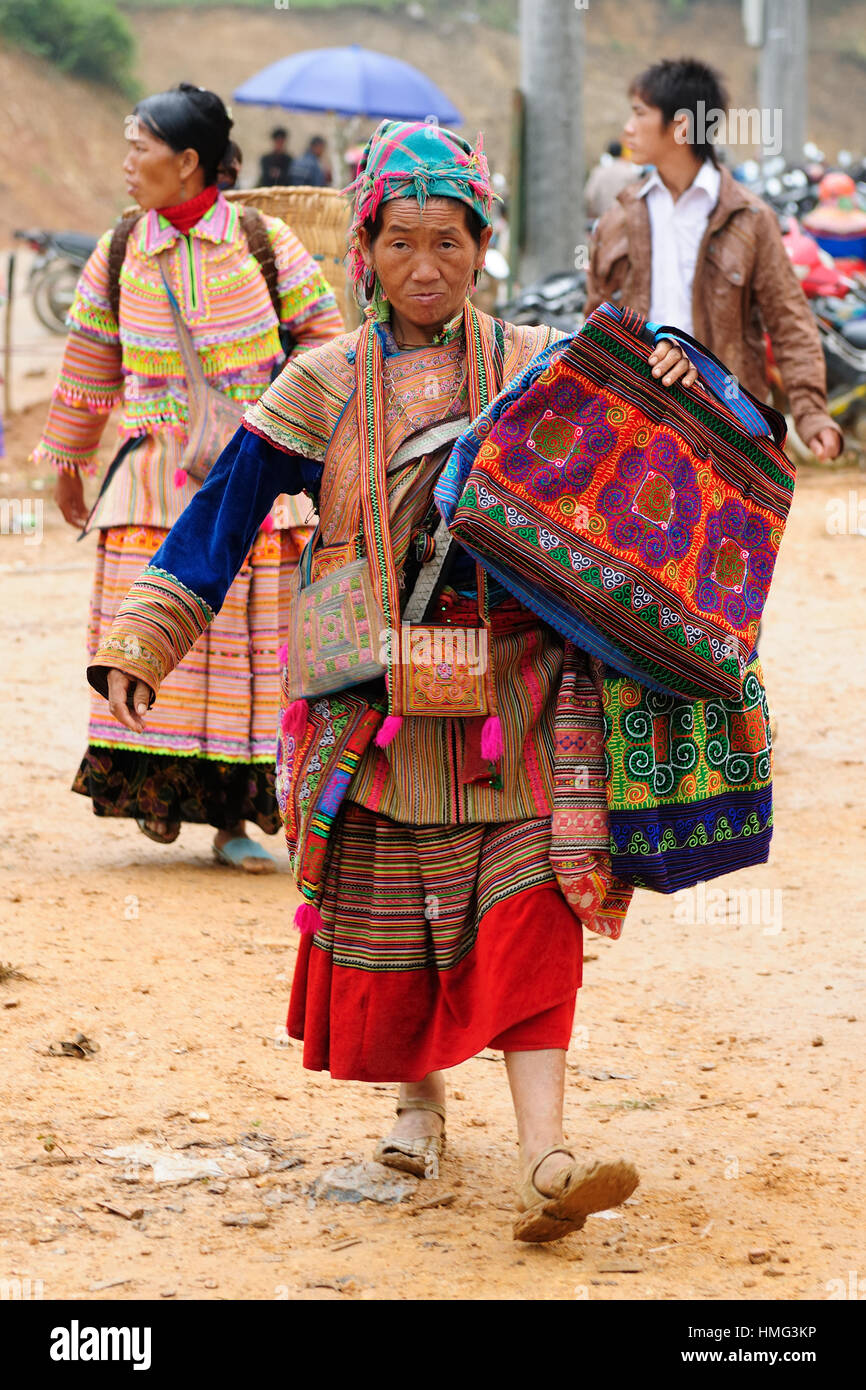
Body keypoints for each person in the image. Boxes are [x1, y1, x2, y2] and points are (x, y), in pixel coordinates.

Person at [85, 119, 697, 1242]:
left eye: (450, 245)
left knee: (528, 908)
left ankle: (547, 1154)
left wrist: (668, 371)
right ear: (363, 245)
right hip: (368, 695)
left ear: (483, 246)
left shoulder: (533, 367)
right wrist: (143, 642)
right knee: (402, 916)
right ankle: (417, 1110)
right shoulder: (317, 386)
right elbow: (223, 516)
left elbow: (636, 473)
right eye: (402, 243)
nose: (426, 269)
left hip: (516, 691)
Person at [33, 83, 344, 871]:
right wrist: (68, 461)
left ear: (189, 161)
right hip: (151, 482)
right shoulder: (118, 250)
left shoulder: (264, 242)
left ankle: (234, 823)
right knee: (155, 640)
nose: (128, 162)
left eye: (141, 147)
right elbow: (89, 365)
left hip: (249, 486)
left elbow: (327, 344)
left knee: (245, 656)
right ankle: (157, 795)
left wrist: (297, 432)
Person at [586, 57, 843, 463]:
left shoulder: (750, 218)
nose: (628, 128)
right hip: (635, 421)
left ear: (682, 125)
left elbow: (790, 319)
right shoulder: (617, 220)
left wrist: (811, 413)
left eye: (639, 113)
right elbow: (594, 321)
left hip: (726, 430)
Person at [584, 139, 640, 220]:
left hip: (603, 219)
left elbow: (589, 196)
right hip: (625, 221)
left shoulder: (599, 172)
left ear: (608, 152)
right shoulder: (630, 173)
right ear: (621, 152)